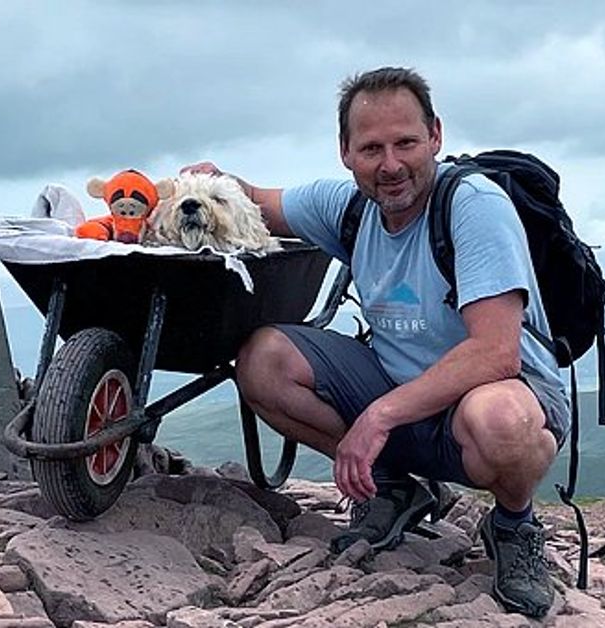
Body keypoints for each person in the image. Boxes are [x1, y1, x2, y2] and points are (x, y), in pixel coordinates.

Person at [183, 66, 569, 618]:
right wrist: (207, 181)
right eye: (371, 149)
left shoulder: (473, 206)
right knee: (263, 361)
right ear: (345, 152)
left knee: (502, 422)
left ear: (435, 136)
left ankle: (513, 524)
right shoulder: (348, 207)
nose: (390, 165)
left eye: (405, 143)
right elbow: (253, 200)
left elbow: (495, 354)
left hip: (496, 396)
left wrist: (378, 416)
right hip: (400, 390)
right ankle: (390, 488)